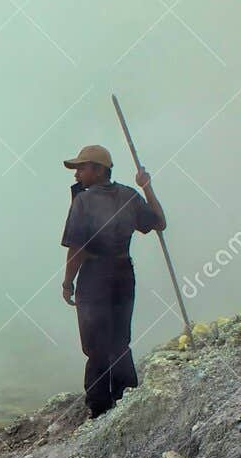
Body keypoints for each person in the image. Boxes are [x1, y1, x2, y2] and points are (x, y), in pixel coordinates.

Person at [59, 143, 167, 418]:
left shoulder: (84, 201)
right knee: (120, 341)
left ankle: (99, 409)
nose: (77, 175)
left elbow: (78, 247)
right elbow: (159, 223)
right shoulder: (129, 195)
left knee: (95, 345)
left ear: (97, 170)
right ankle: (126, 400)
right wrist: (146, 187)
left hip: (95, 277)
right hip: (123, 275)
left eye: (81, 168)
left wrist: (67, 282)